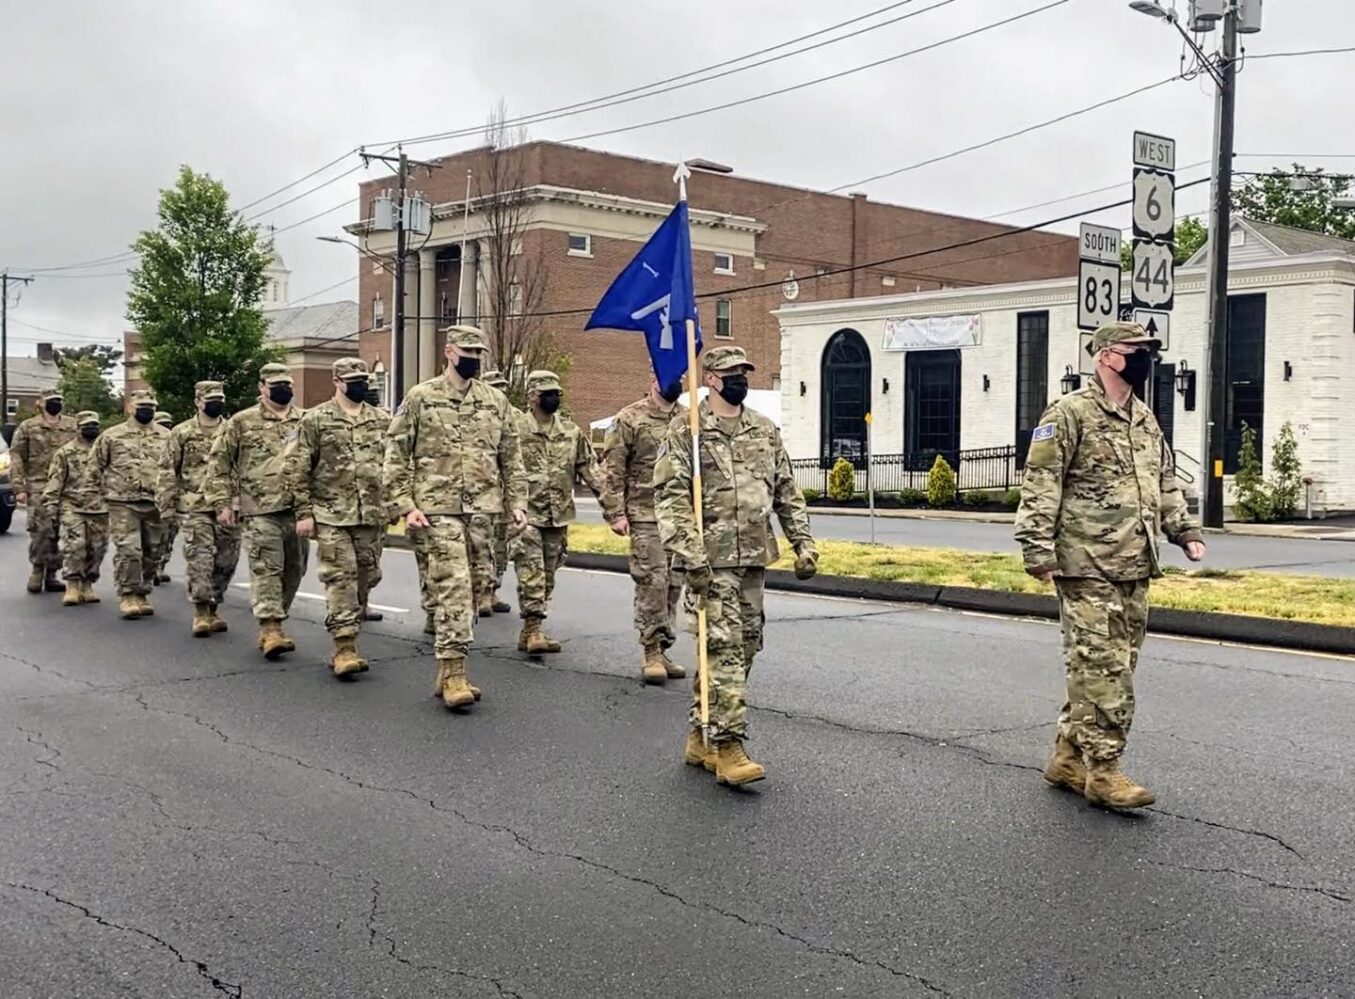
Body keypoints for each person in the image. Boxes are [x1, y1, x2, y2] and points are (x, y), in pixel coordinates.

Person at [1015, 321, 1205, 811]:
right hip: (1085, 563)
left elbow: (1164, 480)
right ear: (1105, 357)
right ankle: (1104, 772)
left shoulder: (1143, 418)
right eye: (1134, 351)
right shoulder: (1069, 413)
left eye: (1148, 352)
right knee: (1105, 669)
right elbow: (1041, 481)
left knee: (1111, 664)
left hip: (1135, 562)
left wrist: (1183, 530)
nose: (1143, 359)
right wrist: (1037, 549)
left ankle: (1067, 756)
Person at [654, 346, 818, 787]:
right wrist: (690, 556)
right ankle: (729, 748)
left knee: (744, 648)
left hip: (752, 561)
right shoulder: (687, 431)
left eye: (744, 371)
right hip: (711, 563)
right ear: (711, 379)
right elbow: (670, 498)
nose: (739, 379)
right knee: (723, 649)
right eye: (730, 373)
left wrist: (803, 543)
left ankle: (698, 733)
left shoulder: (764, 430)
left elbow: (786, 490)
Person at [384, 326, 527, 710]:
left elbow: (511, 457)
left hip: (484, 511)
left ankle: (448, 667)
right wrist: (403, 504)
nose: (475, 359)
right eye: (468, 351)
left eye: (480, 352)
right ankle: (455, 672)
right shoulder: (421, 397)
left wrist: (518, 503)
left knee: (480, 588)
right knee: (455, 589)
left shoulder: (495, 401)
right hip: (437, 511)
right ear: (449, 351)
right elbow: (396, 453)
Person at [289, 358, 388, 677]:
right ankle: (344, 647)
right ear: (337, 381)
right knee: (340, 578)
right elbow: (297, 468)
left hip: (371, 515)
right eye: (354, 379)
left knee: (365, 577)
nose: (362, 385)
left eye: (365, 379)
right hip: (331, 514)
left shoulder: (381, 420)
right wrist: (304, 512)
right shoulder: (315, 420)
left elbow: (397, 464)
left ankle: (351, 628)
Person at [512, 370, 621, 654]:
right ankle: (534, 629)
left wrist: (614, 512)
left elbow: (592, 473)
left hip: (558, 516)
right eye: (547, 393)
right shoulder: (515, 430)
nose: (553, 398)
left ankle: (529, 629)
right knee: (532, 573)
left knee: (548, 575)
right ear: (532, 396)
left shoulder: (571, 433)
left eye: (556, 393)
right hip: (526, 517)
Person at [206, 362, 307, 659]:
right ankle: (271, 627)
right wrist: (221, 502)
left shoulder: (306, 420)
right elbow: (220, 463)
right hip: (260, 509)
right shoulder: (241, 422)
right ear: (262, 387)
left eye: (287, 384)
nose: (283, 389)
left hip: (298, 508)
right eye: (276, 384)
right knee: (267, 568)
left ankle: (278, 616)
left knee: (295, 569)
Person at [601, 373, 689, 684]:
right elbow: (612, 468)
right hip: (645, 513)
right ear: (653, 377)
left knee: (674, 584)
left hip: (680, 517)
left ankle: (663, 646)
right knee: (653, 581)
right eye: (670, 375)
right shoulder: (629, 418)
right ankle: (650, 649)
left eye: (681, 376)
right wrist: (615, 513)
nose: (677, 381)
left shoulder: (689, 419)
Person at [157, 381, 240, 638]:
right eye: (211, 399)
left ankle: (214, 606)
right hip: (195, 507)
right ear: (198, 402)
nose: (217, 403)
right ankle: (201, 611)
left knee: (226, 561)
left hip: (229, 506)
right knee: (200, 559)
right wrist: (166, 506)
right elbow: (167, 470)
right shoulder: (182, 432)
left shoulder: (233, 431)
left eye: (220, 398)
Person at [89, 390, 169, 619]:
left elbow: (176, 469)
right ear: (129, 407)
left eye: (151, 406)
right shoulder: (112, 436)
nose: (147, 410)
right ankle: (128, 594)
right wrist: (94, 496)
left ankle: (143, 592)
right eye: (142, 405)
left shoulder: (167, 436)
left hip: (155, 502)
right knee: (129, 550)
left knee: (153, 551)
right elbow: (94, 467)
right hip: (122, 501)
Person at [9, 388, 77, 593]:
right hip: (39, 485)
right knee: (41, 531)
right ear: (40, 403)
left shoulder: (72, 426)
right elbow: (17, 456)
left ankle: (52, 574)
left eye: (58, 400)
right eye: (51, 401)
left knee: (64, 532)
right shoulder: (28, 427)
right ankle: (38, 569)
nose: (55, 404)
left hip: (68, 486)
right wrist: (19, 487)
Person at [40, 411, 108, 606]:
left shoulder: (106, 451)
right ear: (78, 429)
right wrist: (51, 504)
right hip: (72, 506)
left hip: (100, 507)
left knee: (97, 548)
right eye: (87, 426)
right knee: (74, 546)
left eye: (94, 425)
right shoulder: (65, 452)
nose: (91, 429)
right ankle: (72, 584)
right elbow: (55, 480)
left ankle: (88, 583)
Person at [466, 368, 515, 619]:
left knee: (501, 546)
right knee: (479, 546)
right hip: (481, 495)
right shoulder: (473, 415)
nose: (501, 390)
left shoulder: (512, 417)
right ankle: (480, 593)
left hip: (505, 495)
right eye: (495, 386)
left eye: (503, 386)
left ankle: (493, 589)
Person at [361, 381, 392, 624]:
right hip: (340, 506)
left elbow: (396, 463)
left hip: (376, 504)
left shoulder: (385, 423)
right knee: (342, 565)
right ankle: (345, 610)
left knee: (370, 559)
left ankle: (362, 601)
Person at [150, 410, 177, 584]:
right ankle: (150, 567)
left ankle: (160, 566)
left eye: (168, 424)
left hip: (169, 496)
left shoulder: (173, 441)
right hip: (149, 496)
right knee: (152, 536)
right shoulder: (148, 443)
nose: (166, 427)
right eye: (162, 423)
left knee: (169, 535)